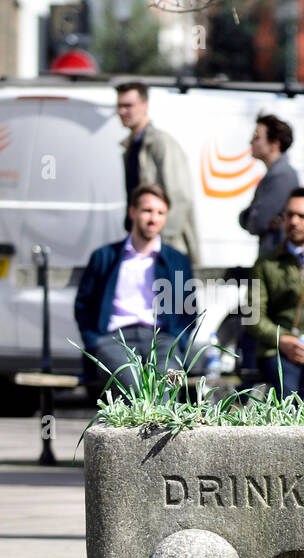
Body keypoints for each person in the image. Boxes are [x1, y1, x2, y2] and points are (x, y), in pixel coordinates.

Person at [75, 184, 196, 393]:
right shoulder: (105, 257)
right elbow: (83, 305)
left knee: (167, 382)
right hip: (114, 339)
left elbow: (189, 310)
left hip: (162, 339)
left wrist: (179, 341)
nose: (153, 219)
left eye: (160, 213)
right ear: (132, 212)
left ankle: (164, 426)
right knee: (131, 380)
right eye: (147, 211)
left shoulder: (176, 260)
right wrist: (94, 341)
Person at [251, 187, 304, 402]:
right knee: (287, 394)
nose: (294, 222)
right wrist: (283, 339)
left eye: (302, 216)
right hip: (277, 346)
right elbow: (252, 316)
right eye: (289, 215)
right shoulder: (265, 263)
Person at [116, 81, 201, 265]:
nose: (122, 111)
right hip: (141, 245)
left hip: (163, 248)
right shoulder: (131, 146)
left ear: (145, 106)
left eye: (128, 106)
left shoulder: (160, 143)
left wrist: (162, 242)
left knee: (170, 294)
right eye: (119, 106)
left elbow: (180, 198)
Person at [239, 114, 300, 259]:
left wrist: (252, 217)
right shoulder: (275, 174)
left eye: (257, 137)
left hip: (277, 262)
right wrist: (248, 217)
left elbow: (258, 222)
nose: (251, 142)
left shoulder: (281, 176)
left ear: (275, 144)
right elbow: (253, 219)